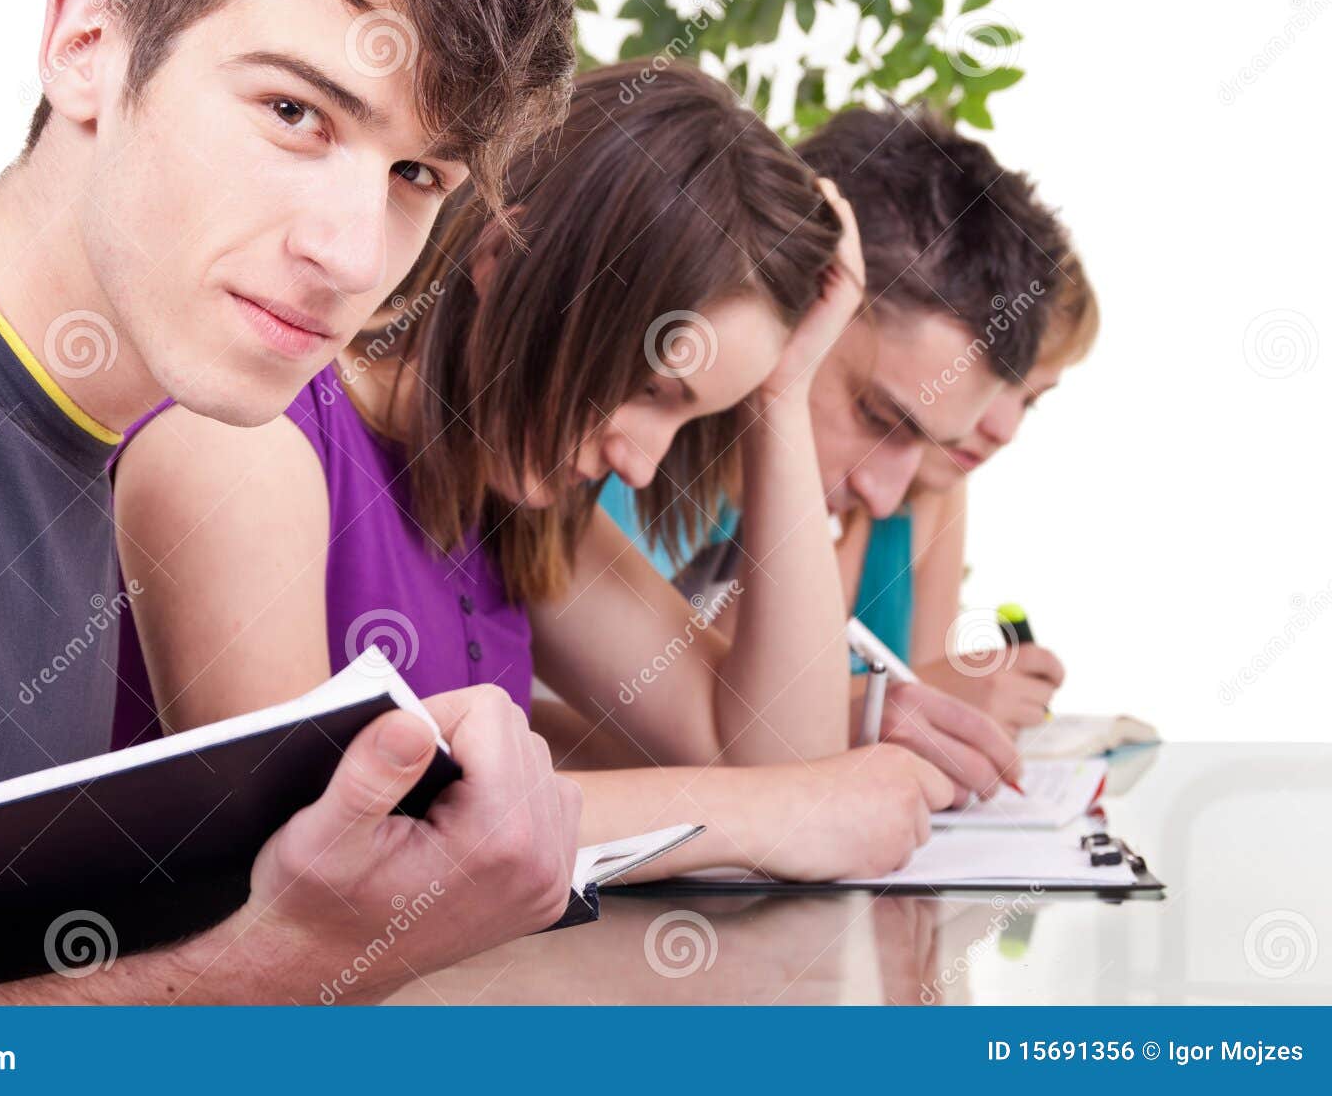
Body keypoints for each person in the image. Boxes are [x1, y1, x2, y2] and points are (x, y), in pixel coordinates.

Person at [0, 0, 586, 1005]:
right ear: (86, 46)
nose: (355, 256)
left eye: (417, 176)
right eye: (293, 113)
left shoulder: (84, 439)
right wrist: (272, 968)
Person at [115, 62, 959, 885]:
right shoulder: (242, 444)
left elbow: (782, 753)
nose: (640, 459)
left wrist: (782, 394)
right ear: (505, 257)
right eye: (650, 391)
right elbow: (317, 851)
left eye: (690, 415)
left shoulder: (505, 488)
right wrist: (756, 818)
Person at [596, 105, 1074, 795]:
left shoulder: (752, 489)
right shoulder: (601, 451)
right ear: (801, 289)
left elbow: (775, 753)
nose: (887, 495)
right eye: (879, 414)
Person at [895, 252, 1101, 733]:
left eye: (1030, 400)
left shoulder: (939, 491)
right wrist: (929, 694)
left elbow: (929, 712)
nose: (1004, 429)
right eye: (998, 379)